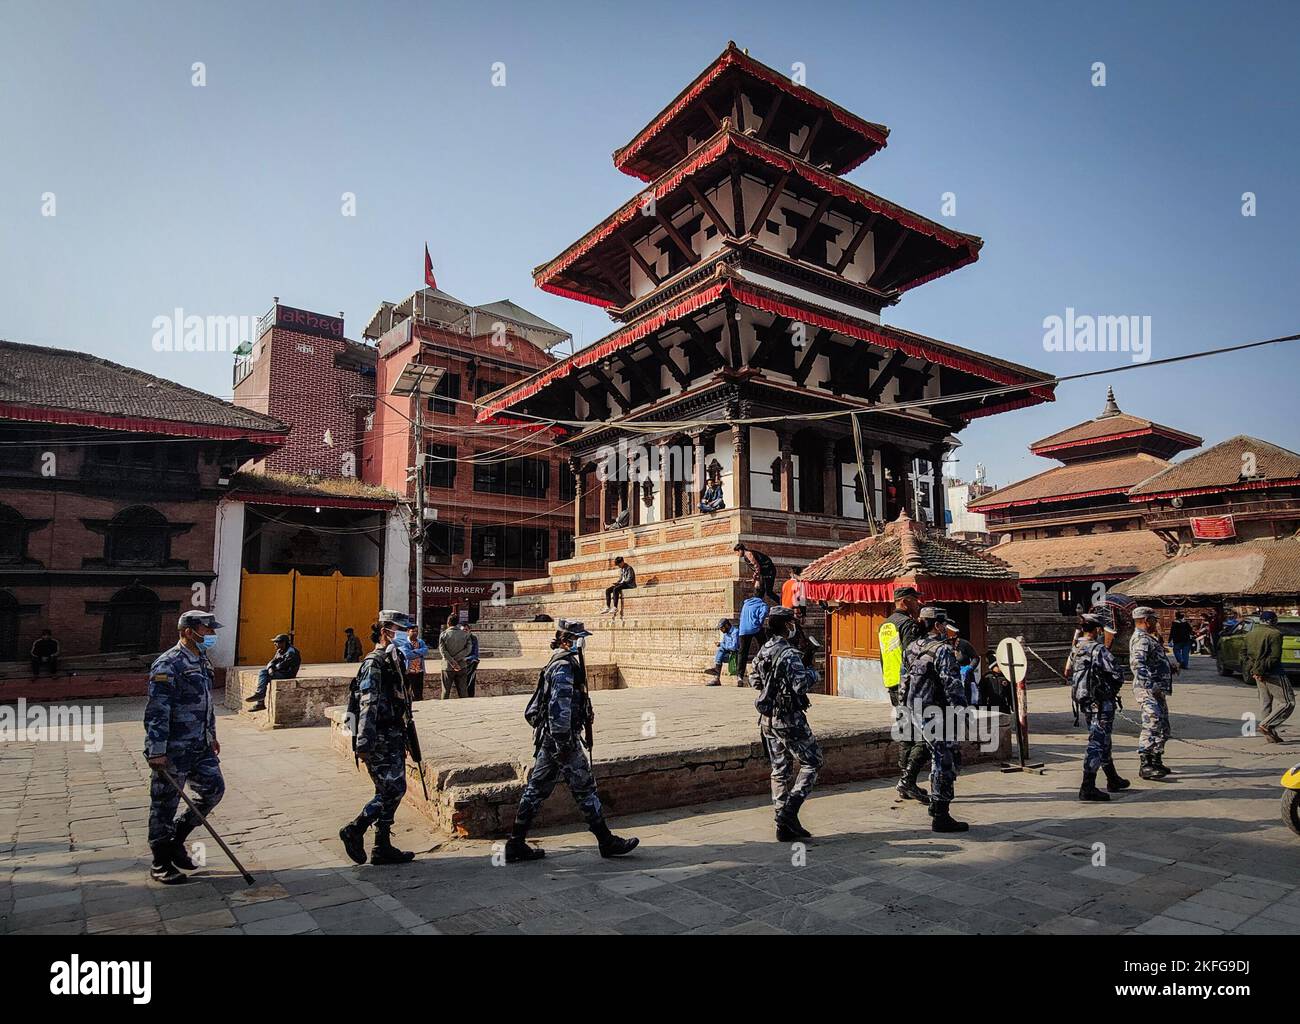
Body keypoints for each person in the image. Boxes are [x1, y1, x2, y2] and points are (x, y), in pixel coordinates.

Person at [504, 621, 638, 862]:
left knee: (537, 788)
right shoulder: (564, 666)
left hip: (551, 738)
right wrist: (564, 742)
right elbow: (559, 706)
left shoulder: (562, 662)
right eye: (577, 638)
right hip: (561, 739)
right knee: (584, 787)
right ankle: (605, 841)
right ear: (566, 641)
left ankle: (516, 842)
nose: (581, 643)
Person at [144, 610, 226, 884]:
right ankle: (160, 861)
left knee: (214, 790)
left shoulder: (202, 660)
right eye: (206, 630)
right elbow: (157, 709)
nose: (211, 635)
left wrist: (211, 734)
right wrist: (156, 749)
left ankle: (178, 837)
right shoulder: (168, 664)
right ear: (188, 631)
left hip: (200, 744)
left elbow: (207, 703)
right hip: (174, 747)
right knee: (165, 804)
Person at [339, 609, 418, 866]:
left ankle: (382, 845)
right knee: (393, 790)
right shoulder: (374, 663)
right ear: (385, 631)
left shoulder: (392, 660)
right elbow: (367, 704)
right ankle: (356, 828)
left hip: (393, 734)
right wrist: (363, 743)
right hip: (379, 736)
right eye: (399, 630)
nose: (404, 635)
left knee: (386, 789)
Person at [749, 605, 823, 841]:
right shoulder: (789, 653)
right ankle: (789, 811)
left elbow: (754, 681)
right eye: (792, 623)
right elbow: (801, 685)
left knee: (780, 770)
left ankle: (783, 824)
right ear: (787, 626)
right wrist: (812, 671)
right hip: (789, 718)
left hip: (768, 719)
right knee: (812, 762)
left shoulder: (763, 651)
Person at [901, 607, 969, 832]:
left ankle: (936, 805)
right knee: (944, 760)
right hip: (937, 712)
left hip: (917, 710)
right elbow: (952, 683)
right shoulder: (943, 650)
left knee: (935, 756)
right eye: (944, 625)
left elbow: (904, 681)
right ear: (938, 625)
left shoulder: (911, 647)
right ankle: (941, 813)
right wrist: (961, 712)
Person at [1069, 614, 1130, 801]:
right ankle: (1088, 785)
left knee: (1103, 739)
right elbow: (1116, 672)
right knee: (1097, 741)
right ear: (1096, 629)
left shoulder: (1076, 648)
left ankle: (1112, 777)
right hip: (1101, 700)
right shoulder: (1097, 649)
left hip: (1085, 700)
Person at [879, 585, 929, 804]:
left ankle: (905, 782)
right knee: (925, 736)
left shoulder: (885, 624)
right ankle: (908, 781)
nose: (919, 604)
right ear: (905, 601)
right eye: (916, 600)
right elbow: (914, 656)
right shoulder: (908, 624)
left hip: (892, 683)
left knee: (906, 733)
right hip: (910, 684)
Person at [1130, 606, 1174, 780]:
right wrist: (1150, 685)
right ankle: (1146, 763)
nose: (1156, 623)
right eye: (1154, 620)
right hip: (1148, 689)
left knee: (1163, 723)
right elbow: (1137, 664)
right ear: (1146, 621)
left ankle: (1156, 759)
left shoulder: (1149, 638)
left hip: (1157, 689)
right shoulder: (1141, 639)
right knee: (1152, 721)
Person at [1243, 610, 1295, 743]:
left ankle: (1270, 735)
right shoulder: (1275, 634)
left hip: (1257, 672)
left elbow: (1245, 655)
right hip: (1273, 672)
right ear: (1273, 621)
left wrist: (1254, 671)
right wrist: (1261, 671)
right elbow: (1274, 657)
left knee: (1265, 703)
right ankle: (1267, 724)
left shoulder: (1250, 634)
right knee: (1288, 702)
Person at [245, 632, 301, 712]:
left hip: (287, 673)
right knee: (263, 676)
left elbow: (282, 665)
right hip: (280, 671)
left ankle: (260, 701)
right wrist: (270, 668)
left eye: (277, 642)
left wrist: (271, 669)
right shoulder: (280, 650)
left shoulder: (291, 652)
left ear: (283, 643)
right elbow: (272, 661)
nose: (275, 644)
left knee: (263, 674)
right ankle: (260, 699)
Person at [736, 584, 769, 683]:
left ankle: (739, 676)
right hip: (755, 628)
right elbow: (762, 615)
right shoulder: (762, 605)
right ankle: (763, 669)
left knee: (742, 652)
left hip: (743, 629)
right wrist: (759, 623)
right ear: (763, 596)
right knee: (764, 647)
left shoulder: (746, 604)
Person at [438, 613, 472, 699]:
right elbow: (468, 650)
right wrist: (457, 660)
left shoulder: (444, 634)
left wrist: (452, 661)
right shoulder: (465, 634)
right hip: (461, 665)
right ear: (457, 623)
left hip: (447, 666)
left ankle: (444, 708)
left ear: (448, 622)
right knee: (463, 691)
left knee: (445, 691)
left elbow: (443, 651)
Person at [946, 623, 981, 704]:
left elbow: (975, 657)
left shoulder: (964, 644)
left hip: (965, 675)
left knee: (966, 697)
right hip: (950, 676)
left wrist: (969, 667)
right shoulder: (944, 645)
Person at [395, 624, 429, 702]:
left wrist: (415, 651)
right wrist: (419, 652)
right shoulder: (404, 642)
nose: (415, 633)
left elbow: (426, 650)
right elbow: (407, 654)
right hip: (409, 671)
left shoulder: (420, 642)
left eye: (416, 631)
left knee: (419, 692)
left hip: (419, 671)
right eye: (412, 631)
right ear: (408, 632)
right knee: (408, 691)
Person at [706, 617, 739, 685]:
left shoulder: (735, 632)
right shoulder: (725, 633)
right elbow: (724, 644)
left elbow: (734, 647)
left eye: (722, 628)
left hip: (735, 654)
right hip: (728, 653)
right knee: (720, 651)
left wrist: (721, 644)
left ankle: (716, 676)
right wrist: (722, 645)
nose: (721, 630)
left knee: (721, 649)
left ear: (727, 625)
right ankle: (716, 677)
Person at [461, 622, 481, 698]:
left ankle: (469, 694)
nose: (464, 631)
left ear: (469, 630)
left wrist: (467, 658)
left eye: (466, 630)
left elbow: (475, 653)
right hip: (461, 661)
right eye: (463, 630)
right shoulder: (459, 639)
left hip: (470, 661)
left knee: (473, 663)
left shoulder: (473, 638)